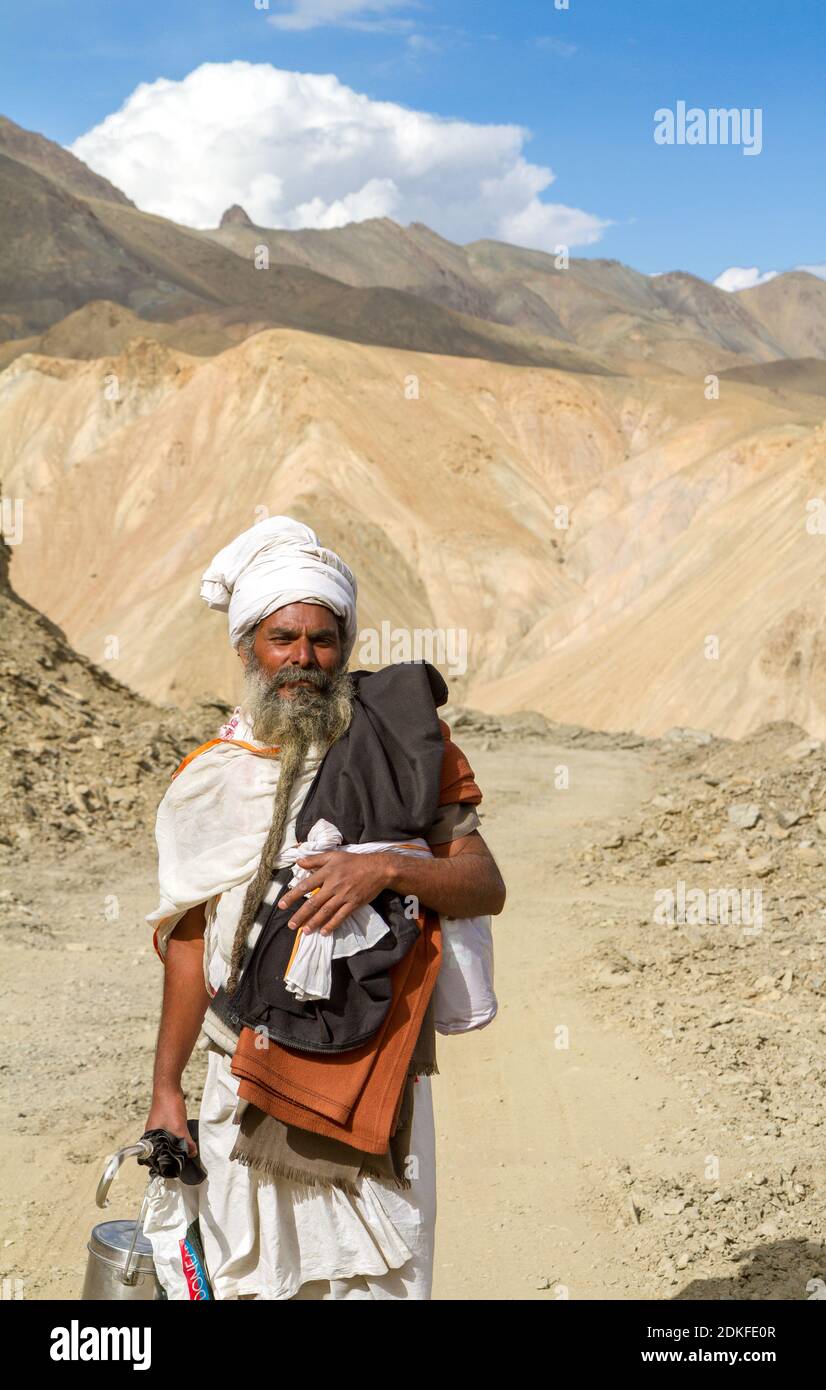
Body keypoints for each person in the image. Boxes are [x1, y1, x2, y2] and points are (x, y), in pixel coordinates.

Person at [144, 515, 506, 1299]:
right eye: (283, 639)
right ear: (247, 648)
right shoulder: (212, 777)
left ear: (344, 644)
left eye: (323, 640)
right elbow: (190, 945)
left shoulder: (408, 748)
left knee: (378, 1280)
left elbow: (485, 885)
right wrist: (165, 1091)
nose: (304, 660)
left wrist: (382, 868)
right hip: (240, 1069)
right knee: (253, 1281)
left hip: (374, 1071)